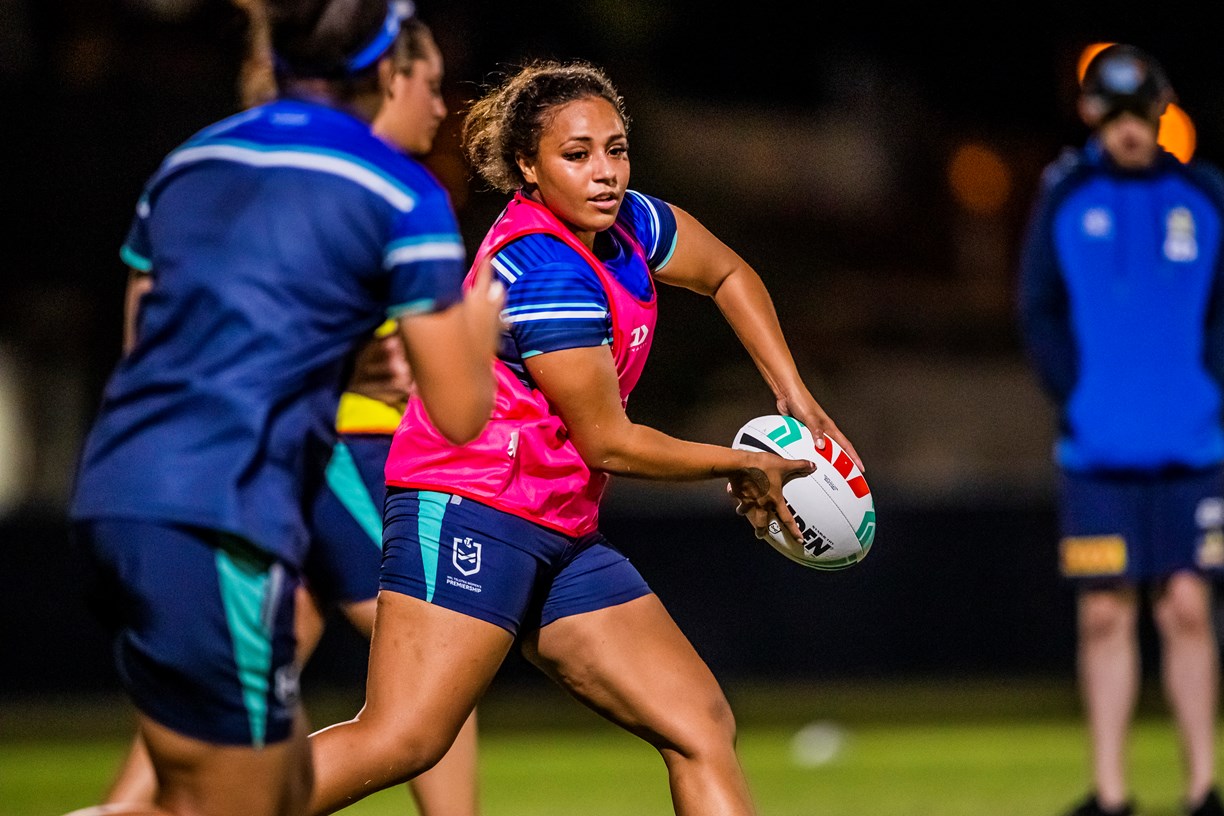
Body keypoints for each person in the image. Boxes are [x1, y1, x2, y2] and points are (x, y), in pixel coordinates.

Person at [304, 58, 862, 816]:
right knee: (403, 739)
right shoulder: (544, 270)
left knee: (696, 721)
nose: (605, 172)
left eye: (617, 148)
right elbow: (610, 443)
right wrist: (741, 464)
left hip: (557, 526)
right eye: (577, 155)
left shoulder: (630, 222)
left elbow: (727, 273)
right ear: (529, 169)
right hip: (471, 507)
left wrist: (791, 391)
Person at [64, 0, 504, 813]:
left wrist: (332, 366)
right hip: (221, 512)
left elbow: (145, 346)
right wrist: (477, 333)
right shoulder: (400, 193)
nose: (443, 111)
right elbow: (458, 414)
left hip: (116, 497)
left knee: (232, 790)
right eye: (433, 84)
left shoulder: (188, 162)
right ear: (387, 71)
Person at [1018, 42, 1224, 816]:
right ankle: (1110, 795)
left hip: (1192, 444)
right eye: (1117, 113)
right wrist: (1079, 396)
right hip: (1097, 447)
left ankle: (1202, 788)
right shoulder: (1065, 197)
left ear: (1163, 110)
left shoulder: (1204, 196)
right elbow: (1036, 311)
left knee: (1187, 606)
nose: (1132, 129)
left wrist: (1208, 387)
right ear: (1090, 113)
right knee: (1105, 612)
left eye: (1145, 113)